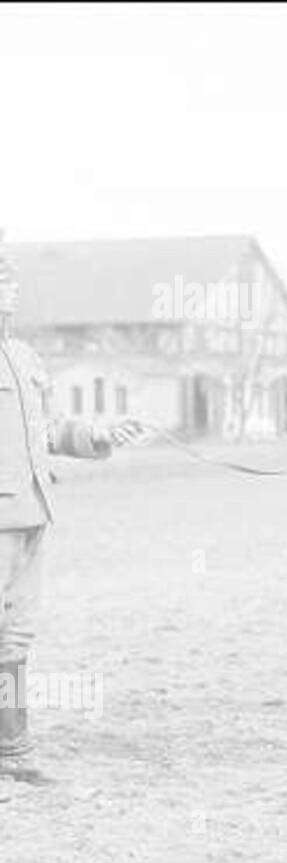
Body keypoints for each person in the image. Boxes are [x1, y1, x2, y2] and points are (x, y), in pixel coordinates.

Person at [0, 239, 144, 784]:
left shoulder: (26, 358)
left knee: (13, 641)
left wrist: (101, 434)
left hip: (33, 516)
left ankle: (12, 754)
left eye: (10, 277)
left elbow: (52, 430)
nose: (9, 285)